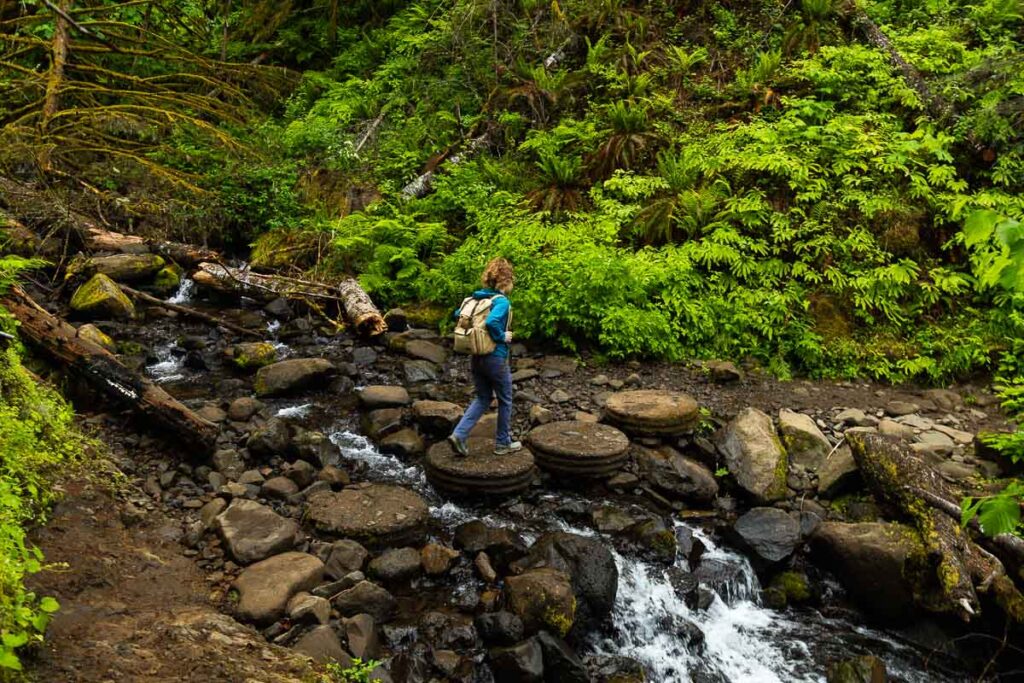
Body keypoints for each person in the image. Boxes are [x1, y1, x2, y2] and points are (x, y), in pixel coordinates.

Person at [448, 258, 522, 457]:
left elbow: (458, 314)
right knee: (505, 399)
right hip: (495, 357)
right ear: (505, 281)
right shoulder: (501, 302)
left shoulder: (475, 299)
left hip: (476, 357)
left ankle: (459, 435)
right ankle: (502, 443)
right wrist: (502, 337)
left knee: (482, 397)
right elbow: (492, 322)